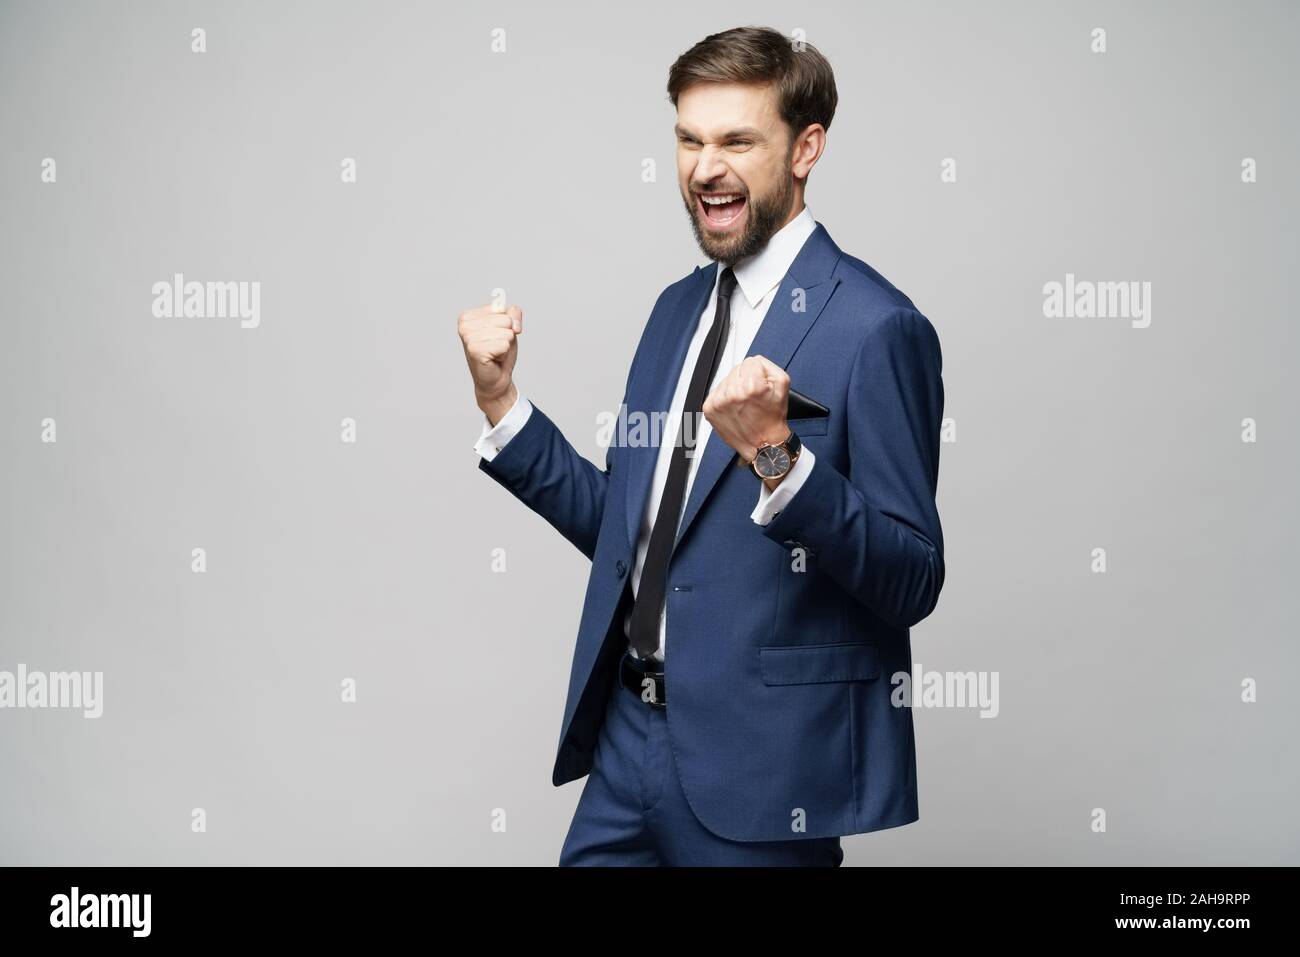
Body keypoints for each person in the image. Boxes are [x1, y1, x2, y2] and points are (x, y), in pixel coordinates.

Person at [456, 26, 945, 866]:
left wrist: (780, 461)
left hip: (765, 778)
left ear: (805, 149)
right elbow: (630, 533)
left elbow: (911, 576)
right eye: (688, 139)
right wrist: (502, 404)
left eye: (736, 141)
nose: (704, 167)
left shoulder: (877, 327)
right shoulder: (674, 311)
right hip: (625, 747)